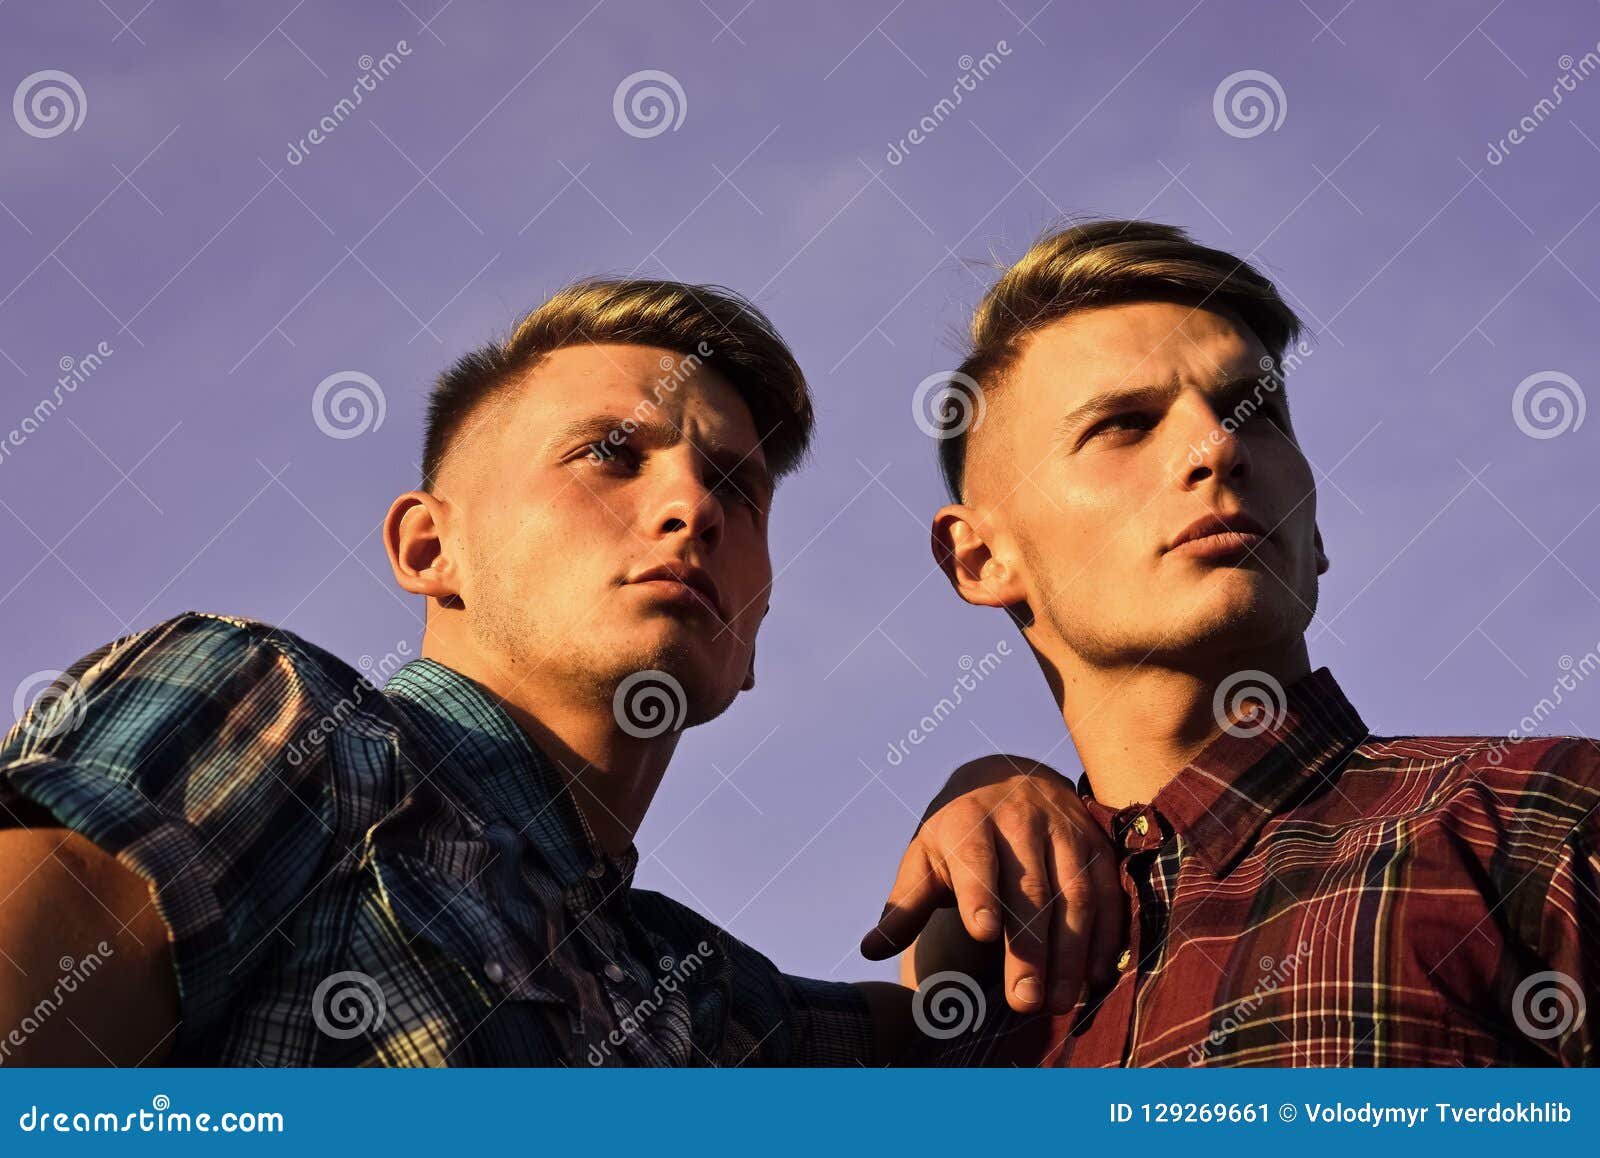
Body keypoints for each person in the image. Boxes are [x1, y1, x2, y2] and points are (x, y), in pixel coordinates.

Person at [0, 277, 1117, 1066]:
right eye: (609, 455)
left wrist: (1001, 786)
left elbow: (970, 1038)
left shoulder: (707, 1001)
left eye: (735, 488)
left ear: (754, 636)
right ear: (429, 547)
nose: (691, 508)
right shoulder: (277, 717)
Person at [904, 218, 1599, 1066]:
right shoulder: (969, 1008)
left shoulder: (1539, 821)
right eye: (1123, 424)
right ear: (980, 558)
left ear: (1315, 531)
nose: (1219, 446)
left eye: (1256, 413)